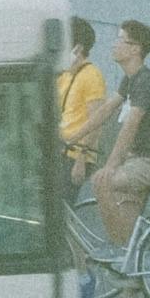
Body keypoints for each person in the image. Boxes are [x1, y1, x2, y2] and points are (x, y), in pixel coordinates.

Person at [93, 20, 150, 261]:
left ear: (135, 49)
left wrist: (111, 164)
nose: (114, 44)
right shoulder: (130, 79)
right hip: (137, 160)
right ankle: (130, 263)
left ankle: (121, 249)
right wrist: (71, 135)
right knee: (127, 223)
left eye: (120, 39)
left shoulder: (145, 81)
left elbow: (131, 125)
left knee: (102, 182)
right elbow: (106, 110)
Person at [57, 18, 109, 184]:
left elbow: (96, 122)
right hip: (60, 150)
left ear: (77, 48)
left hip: (76, 156)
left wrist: (81, 160)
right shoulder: (66, 74)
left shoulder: (92, 76)